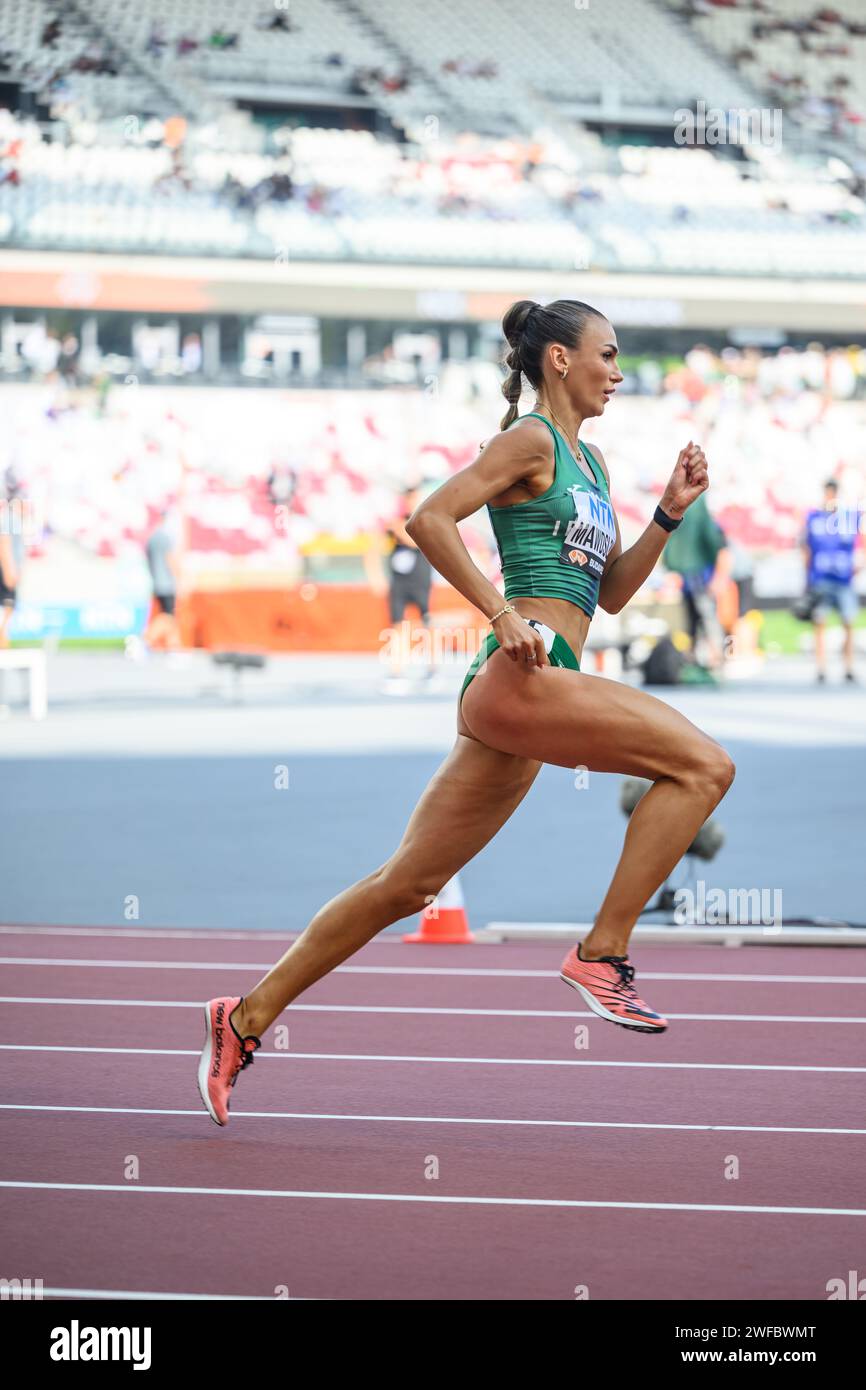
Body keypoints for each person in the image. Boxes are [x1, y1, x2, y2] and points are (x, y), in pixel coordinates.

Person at [197, 298, 735, 1126]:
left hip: (537, 690)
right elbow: (427, 519)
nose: (619, 374)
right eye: (609, 355)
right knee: (704, 766)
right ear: (559, 359)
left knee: (408, 885)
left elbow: (613, 598)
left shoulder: (589, 467)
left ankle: (244, 1020)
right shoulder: (528, 443)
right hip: (521, 677)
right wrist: (499, 613)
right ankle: (603, 954)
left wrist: (668, 511)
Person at [365, 487, 437, 692]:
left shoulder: (426, 519)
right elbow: (374, 546)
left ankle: (432, 670)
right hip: (399, 581)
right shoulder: (395, 523)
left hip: (421, 579)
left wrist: (400, 529)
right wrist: (375, 575)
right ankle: (397, 671)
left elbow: (417, 542)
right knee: (397, 625)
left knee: (427, 624)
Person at [802, 479, 861, 683]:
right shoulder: (815, 518)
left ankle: (848, 665)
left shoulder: (849, 518)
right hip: (821, 578)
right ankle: (821, 666)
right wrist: (807, 577)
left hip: (844, 579)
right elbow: (806, 549)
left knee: (848, 622)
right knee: (820, 622)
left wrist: (859, 564)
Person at [663, 491, 728, 670]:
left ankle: (710, 656)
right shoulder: (703, 517)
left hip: (694, 576)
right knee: (704, 617)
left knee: (699, 617)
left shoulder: (682, 512)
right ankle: (709, 657)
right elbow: (717, 546)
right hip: (698, 575)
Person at [143, 509, 182, 651]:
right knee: (168, 616)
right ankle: (146, 638)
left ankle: (174, 646)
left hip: (156, 582)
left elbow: (148, 561)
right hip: (166, 583)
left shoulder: (151, 538)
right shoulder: (165, 538)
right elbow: (170, 560)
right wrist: (180, 578)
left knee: (171, 617)